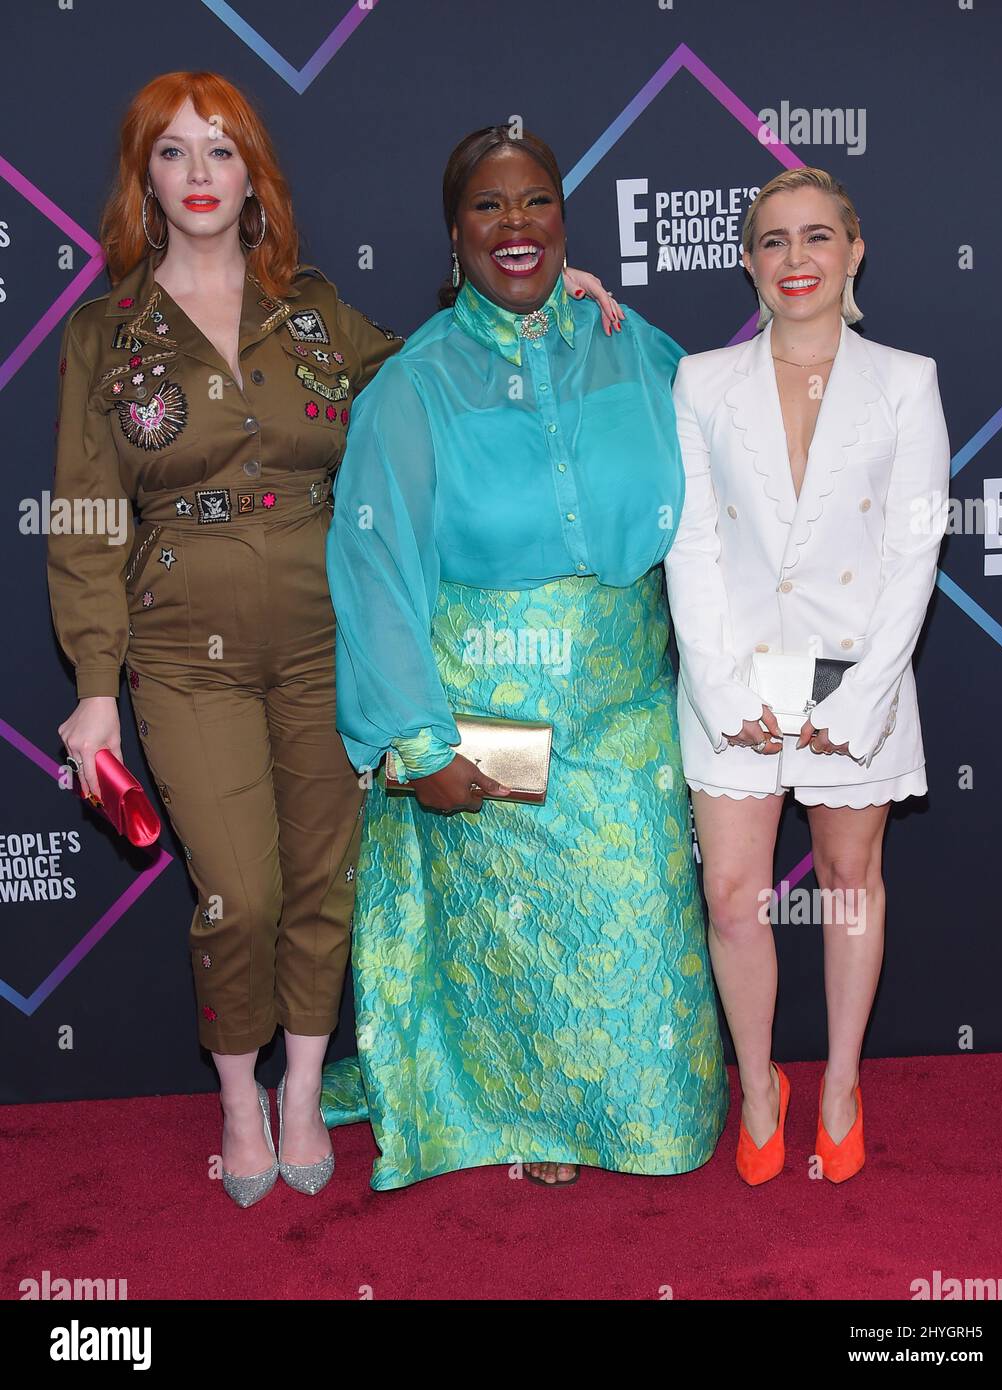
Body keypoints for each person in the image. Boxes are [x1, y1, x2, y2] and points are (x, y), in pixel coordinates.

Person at [321, 126, 729, 1191]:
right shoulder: (412, 386)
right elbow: (375, 568)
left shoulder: (633, 347)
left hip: (629, 718)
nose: (516, 225)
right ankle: (517, 1115)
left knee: (646, 991)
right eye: (489, 208)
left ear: (565, 217)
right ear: (453, 234)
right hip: (490, 729)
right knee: (518, 952)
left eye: (535, 202)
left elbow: (733, 446)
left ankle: (627, 1115)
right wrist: (414, 740)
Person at [47, 70, 406, 1206]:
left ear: (254, 175)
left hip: (324, 636)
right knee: (237, 894)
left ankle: (303, 1092)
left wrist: (535, 308)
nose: (198, 175)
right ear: (144, 178)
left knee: (320, 875)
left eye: (220, 151)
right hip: (178, 647)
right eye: (174, 153)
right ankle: (237, 1094)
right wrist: (94, 687)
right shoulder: (105, 334)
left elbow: (429, 380)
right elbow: (88, 516)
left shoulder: (313, 310)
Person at [664, 167, 950, 1184]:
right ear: (746, 259)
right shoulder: (699, 383)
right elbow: (689, 544)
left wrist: (866, 694)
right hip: (733, 678)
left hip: (852, 679)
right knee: (733, 894)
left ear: (854, 250)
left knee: (844, 887)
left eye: (817, 237)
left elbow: (917, 547)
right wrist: (724, 692)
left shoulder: (904, 380)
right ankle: (759, 1085)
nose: (796, 260)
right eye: (774, 240)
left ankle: (836, 1081)